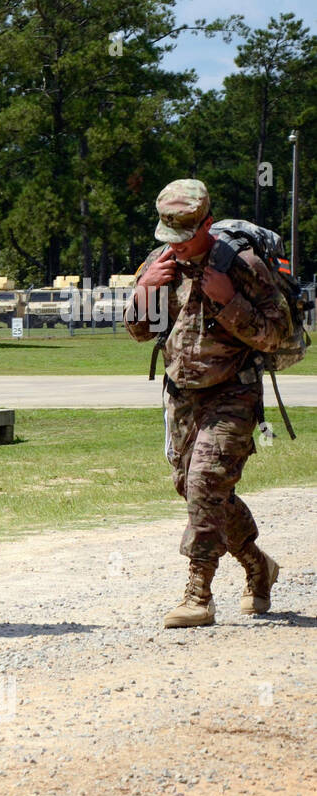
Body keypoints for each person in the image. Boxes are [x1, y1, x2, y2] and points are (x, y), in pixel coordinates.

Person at [124, 180, 291, 628]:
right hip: (181, 394)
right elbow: (141, 332)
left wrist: (229, 301)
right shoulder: (161, 263)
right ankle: (258, 566)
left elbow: (278, 335)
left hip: (233, 392)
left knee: (203, 484)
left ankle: (199, 594)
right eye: (169, 234)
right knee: (196, 489)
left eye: (185, 234)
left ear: (207, 224)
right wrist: (143, 297)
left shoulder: (243, 265)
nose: (176, 245)